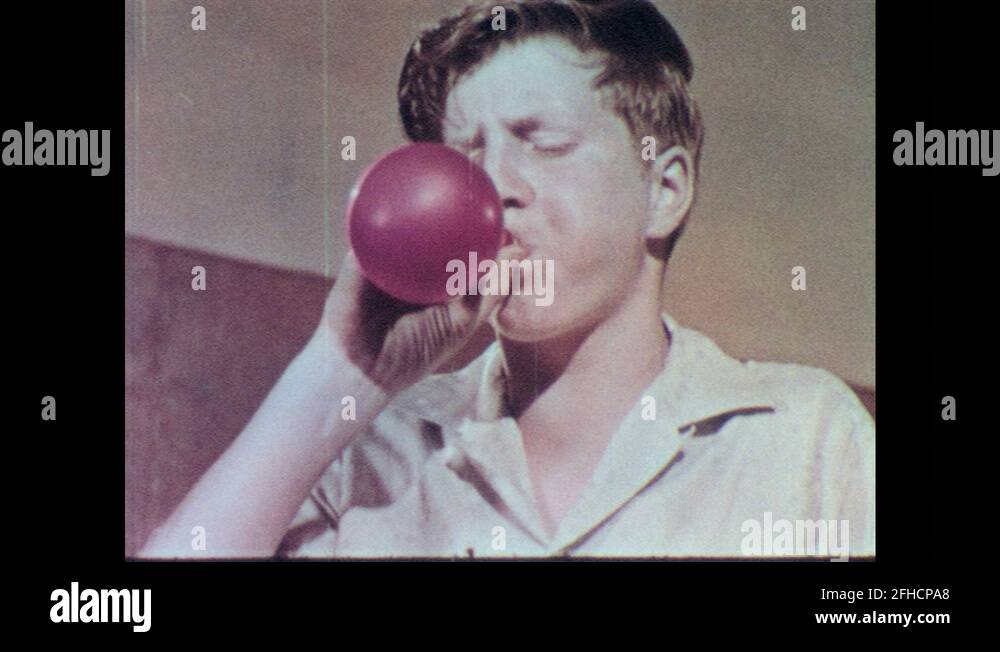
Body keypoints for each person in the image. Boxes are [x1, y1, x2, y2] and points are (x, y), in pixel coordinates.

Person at [139, 0, 874, 559]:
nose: (493, 189)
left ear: (666, 190)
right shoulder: (374, 453)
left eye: (543, 143)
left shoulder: (806, 439)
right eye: (466, 158)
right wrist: (340, 370)